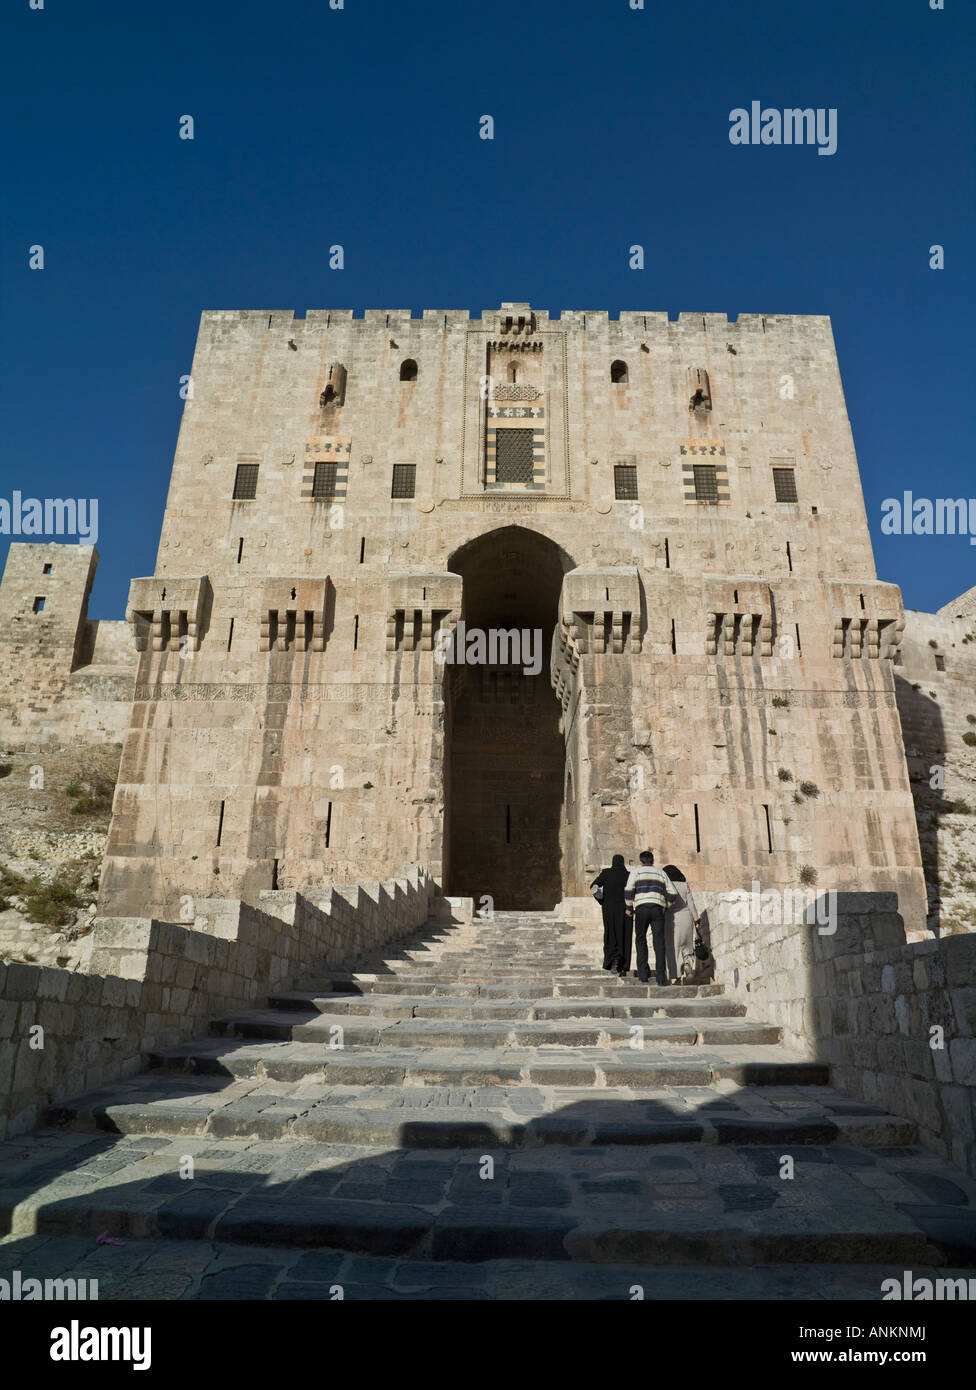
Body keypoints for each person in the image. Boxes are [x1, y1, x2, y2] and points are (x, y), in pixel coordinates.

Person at [624, 849, 678, 985]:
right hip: (657, 909)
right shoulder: (661, 873)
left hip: (641, 908)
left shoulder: (636, 872)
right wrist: (665, 905)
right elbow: (673, 893)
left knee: (640, 940)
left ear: (640, 861)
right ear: (653, 861)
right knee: (659, 942)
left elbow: (628, 890)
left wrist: (629, 907)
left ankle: (643, 974)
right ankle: (661, 976)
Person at [589, 854, 630, 976]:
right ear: (622, 862)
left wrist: (602, 900)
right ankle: (622, 965)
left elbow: (593, 887)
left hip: (609, 909)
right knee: (624, 935)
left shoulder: (606, 873)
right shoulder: (627, 875)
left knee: (610, 934)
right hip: (624, 909)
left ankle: (612, 960)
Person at [662, 864, 700, 983]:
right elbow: (691, 903)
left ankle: (676, 975)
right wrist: (696, 919)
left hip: (672, 918)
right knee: (687, 946)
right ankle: (688, 965)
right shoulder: (685, 885)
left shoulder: (666, 885)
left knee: (673, 947)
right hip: (687, 917)